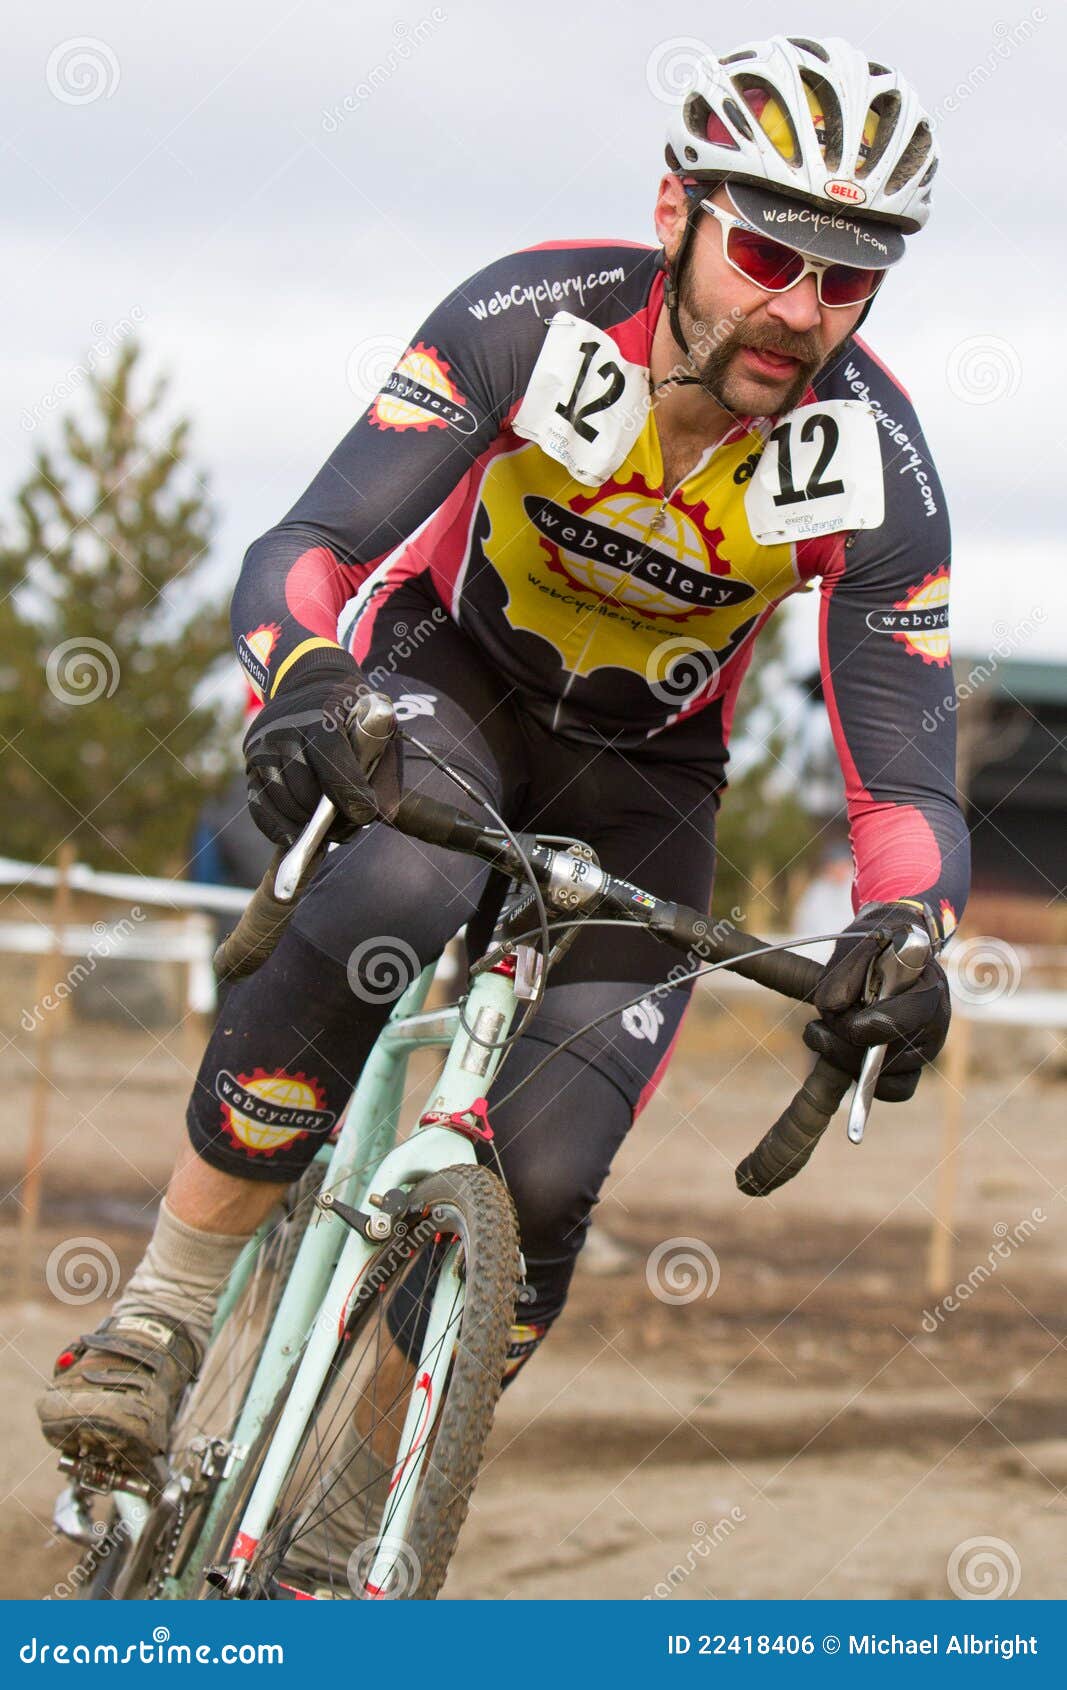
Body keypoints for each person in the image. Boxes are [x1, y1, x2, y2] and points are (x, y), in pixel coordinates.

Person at [39, 35, 968, 1497]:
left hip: (648, 779)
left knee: (543, 1172)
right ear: (676, 215)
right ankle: (159, 1316)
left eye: (847, 279)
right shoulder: (533, 318)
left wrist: (909, 930)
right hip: (448, 684)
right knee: (395, 893)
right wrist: (307, 679)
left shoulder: (875, 464)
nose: (799, 310)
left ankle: (351, 1520)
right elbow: (307, 548)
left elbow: (905, 787)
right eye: (766, 254)